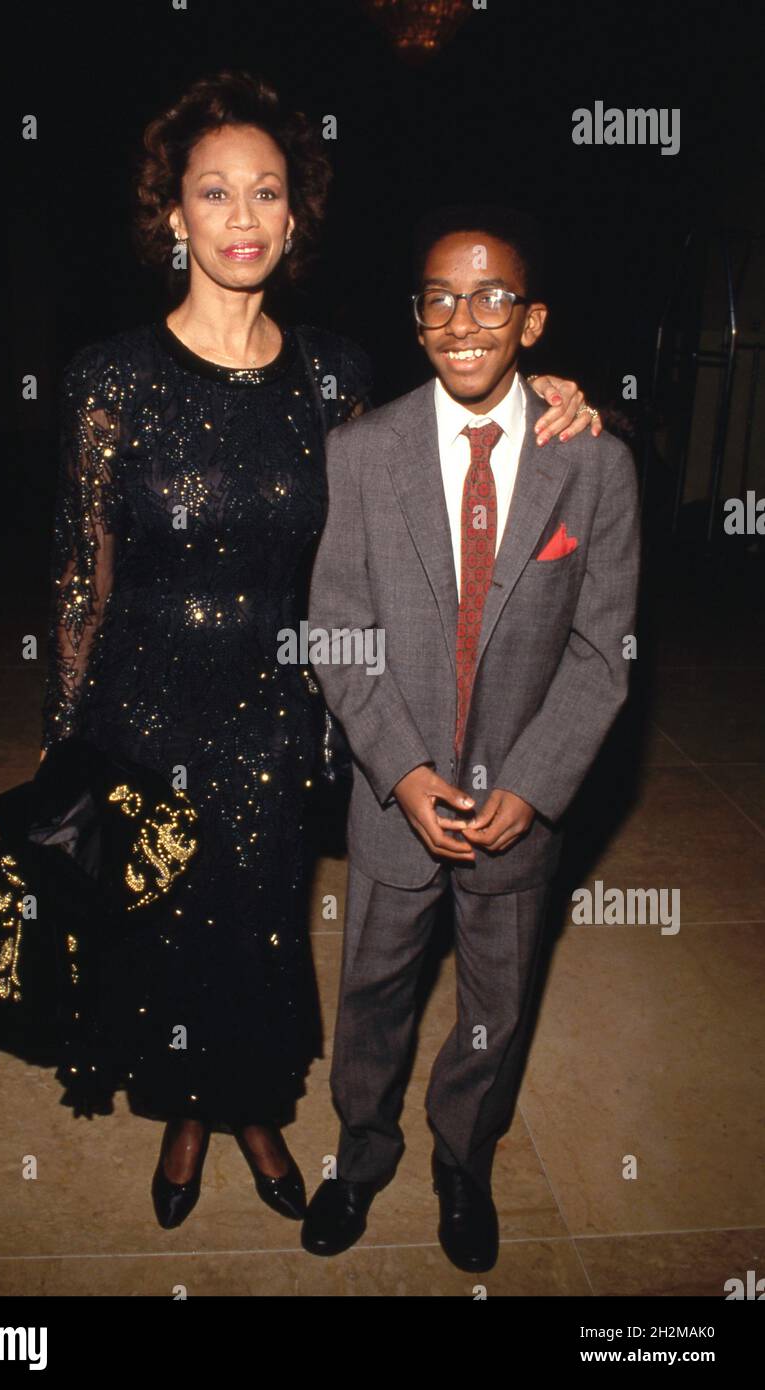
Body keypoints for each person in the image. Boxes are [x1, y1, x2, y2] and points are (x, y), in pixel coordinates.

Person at [0, 71, 600, 1232]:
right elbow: (76, 578)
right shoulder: (106, 379)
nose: (243, 215)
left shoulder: (334, 375)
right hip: (143, 707)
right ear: (175, 214)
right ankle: (185, 1111)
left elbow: (449, 418)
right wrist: (69, 748)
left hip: (278, 710)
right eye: (215, 192)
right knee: (162, 932)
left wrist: (550, 391)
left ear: (295, 216)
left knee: (259, 933)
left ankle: (255, 1104)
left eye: (267, 191)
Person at [303, 203, 641, 1270]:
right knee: (370, 992)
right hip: (392, 793)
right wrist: (399, 772)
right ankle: (359, 1155)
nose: (463, 318)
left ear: (530, 321)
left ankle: (463, 1154)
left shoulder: (589, 464)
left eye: (490, 296)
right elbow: (336, 632)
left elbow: (600, 652)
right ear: (416, 318)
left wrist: (533, 786)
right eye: (439, 297)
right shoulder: (361, 453)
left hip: (514, 807)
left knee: (496, 998)